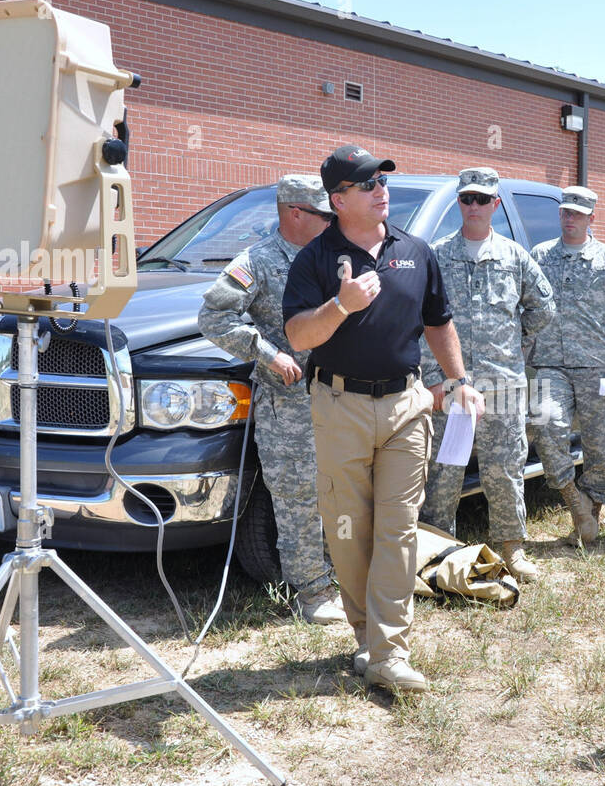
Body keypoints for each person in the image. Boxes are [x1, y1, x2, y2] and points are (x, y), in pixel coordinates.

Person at [282, 145, 484, 694]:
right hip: (340, 407)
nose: (380, 191)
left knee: (396, 529)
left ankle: (390, 651)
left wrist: (459, 380)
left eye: (382, 182)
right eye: (366, 184)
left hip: (405, 406)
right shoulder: (315, 259)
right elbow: (298, 337)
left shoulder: (415, 251)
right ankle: (366, 638)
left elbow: (439, 321)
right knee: (350, 532)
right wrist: (341, 305)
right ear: (338, 199)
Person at [197, 174, 344, 625]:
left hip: (341, 398)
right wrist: (268, 353)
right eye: (323, 214)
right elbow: (213, 317)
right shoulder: (257, 261)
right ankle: (313, 592)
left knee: (341, 493)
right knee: (299, 497)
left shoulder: (336, 255)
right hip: (290, 404)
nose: (331, 222)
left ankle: (342, 577)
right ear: (294, 213)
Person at [419, 168, 555, 581]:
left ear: (496, 204)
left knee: (505, 471)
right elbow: (416, 317)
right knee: (444, 472)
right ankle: (438, 553)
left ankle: (512, 550)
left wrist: (517, 347)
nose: (474, 206)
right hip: (450, 386)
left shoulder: (515, 257)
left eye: (482, 199)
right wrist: (431, 375)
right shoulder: (436, 255)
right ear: (459, 203)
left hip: (502, 386)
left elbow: (544, 308)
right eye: (467, 198)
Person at [528, 186, 605, 544]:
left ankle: (589, 519)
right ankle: (574, 502)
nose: (569, 218)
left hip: (599, 369)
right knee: (545, 427)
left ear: (592, 217)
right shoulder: (540, 256)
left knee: (600, 446)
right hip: (551, 365)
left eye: (577, 213)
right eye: (565, 212)